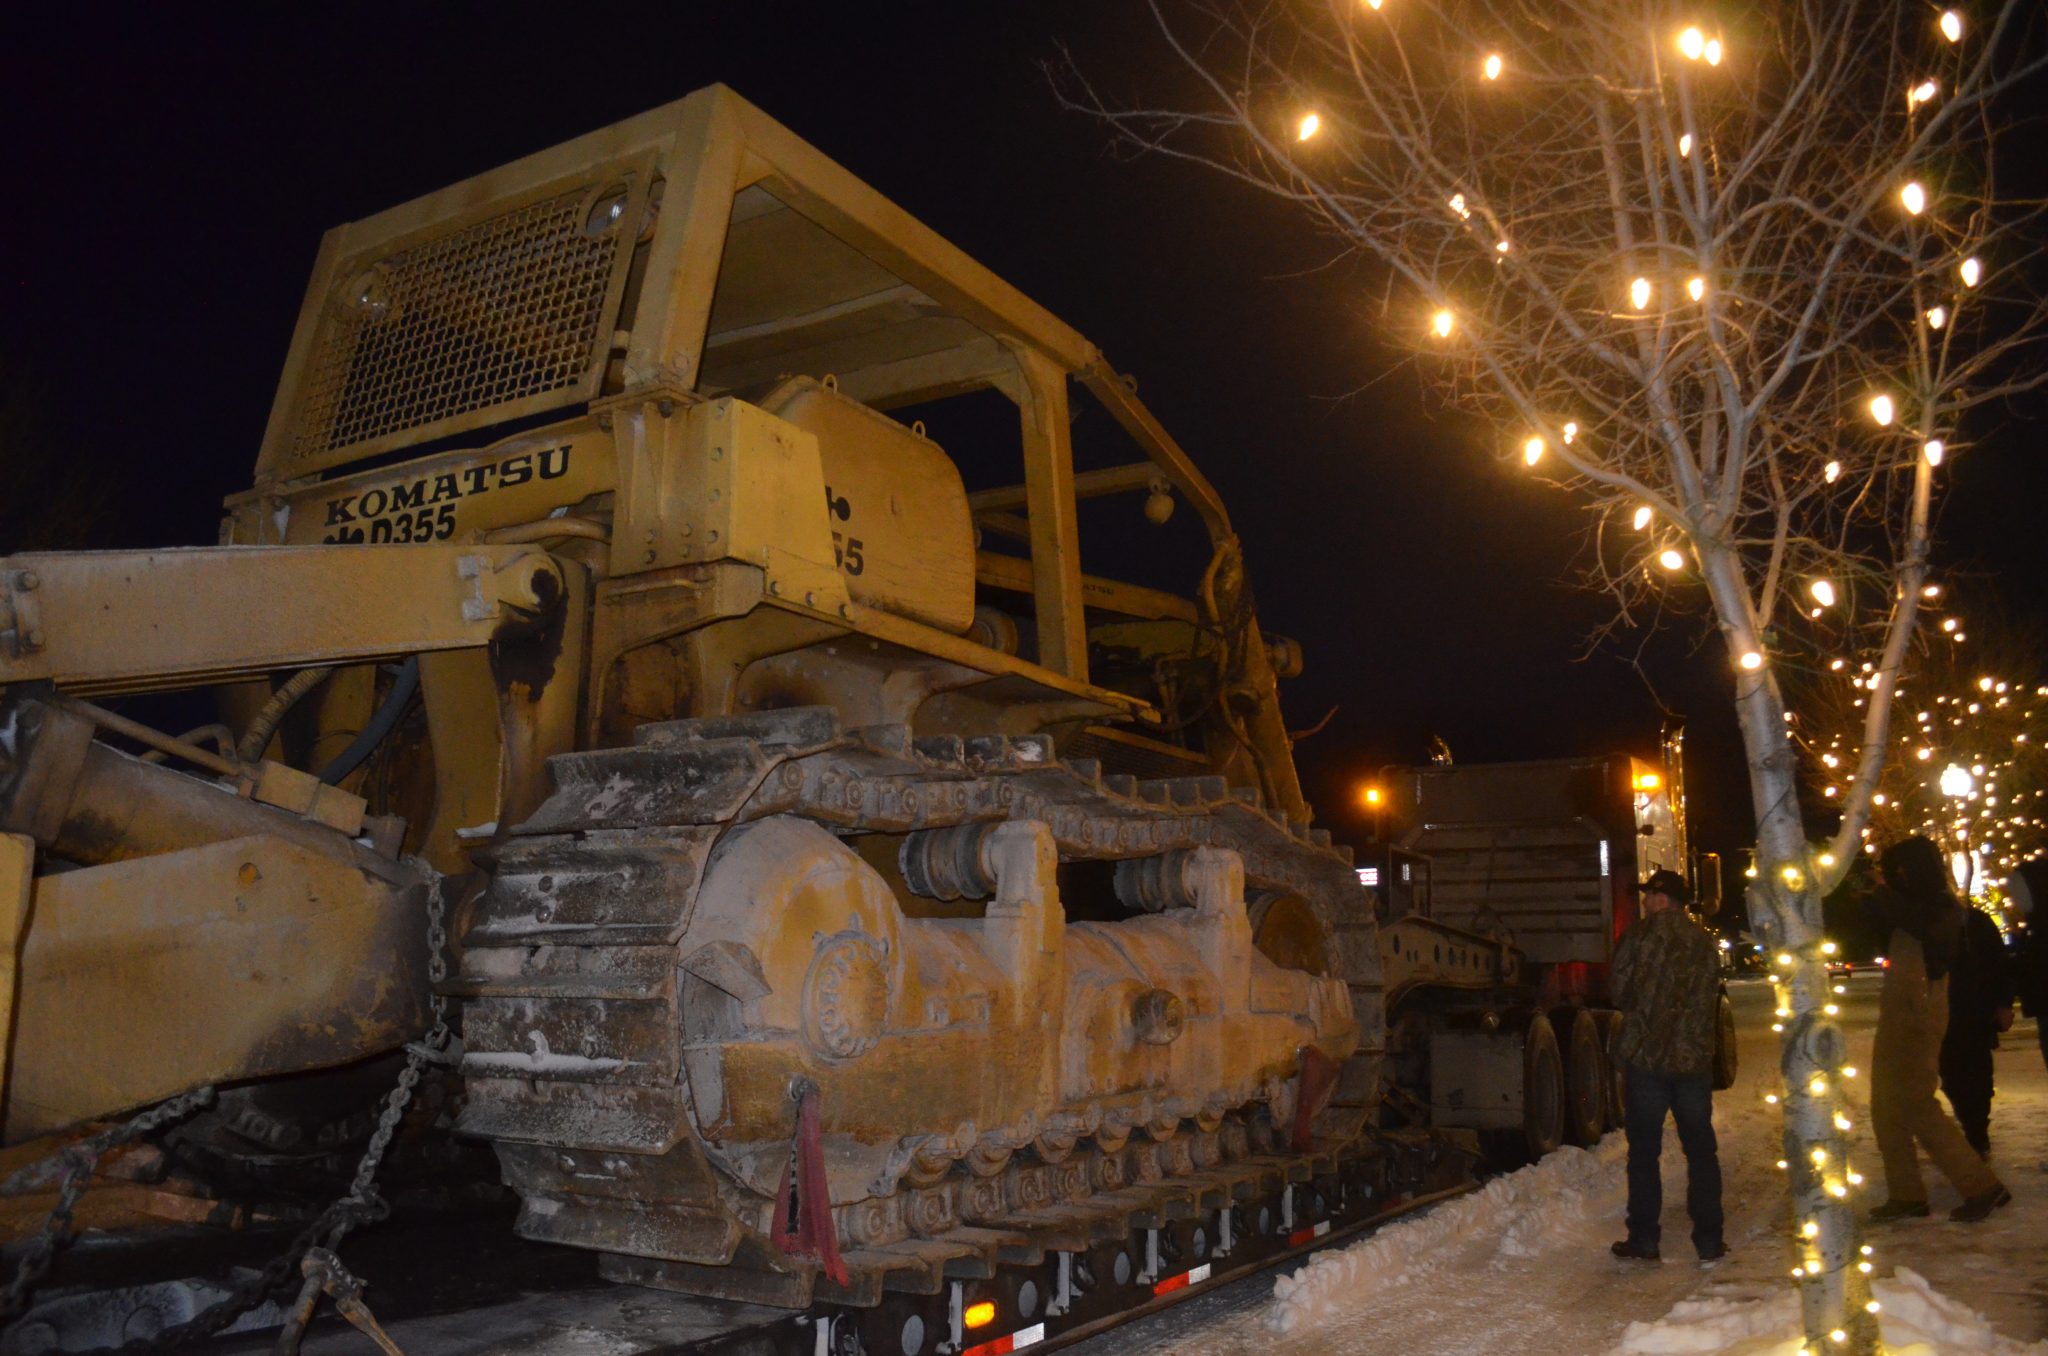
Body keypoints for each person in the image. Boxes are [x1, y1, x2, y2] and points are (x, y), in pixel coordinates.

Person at [1867, 837, 2011, 1223]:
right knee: (1885, 1105)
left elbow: (1914, 924)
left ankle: (1982, 1185)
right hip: (1903, 1010)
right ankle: (1906, 1194)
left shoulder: (1935, 906)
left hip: (1918, 1012)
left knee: (1915, 1103)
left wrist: (1882, 891)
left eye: (1895, 869)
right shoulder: (1919, 905)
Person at [1609, 869, 1725, 1263]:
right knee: (1701, 1151)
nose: (1644, 902)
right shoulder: (1703, 943)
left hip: (1648, 1061)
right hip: (1693, 1061)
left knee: (1643, 1152)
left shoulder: (1638, 939)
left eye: (1649, 896)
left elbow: (1618, 993)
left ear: (1662, 898)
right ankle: (1709, 1240)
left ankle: (1644, 1238)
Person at [1939, 900, 2014, 1158]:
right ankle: (1972, 1126)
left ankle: (1977, 1133)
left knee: (1977, 1075)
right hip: (1945, 1012)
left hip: (1975, 1011)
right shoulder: (1926, 919)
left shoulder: (1975, 922)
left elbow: (1998, 963)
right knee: (1951, 1075)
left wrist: (2003, 1003)